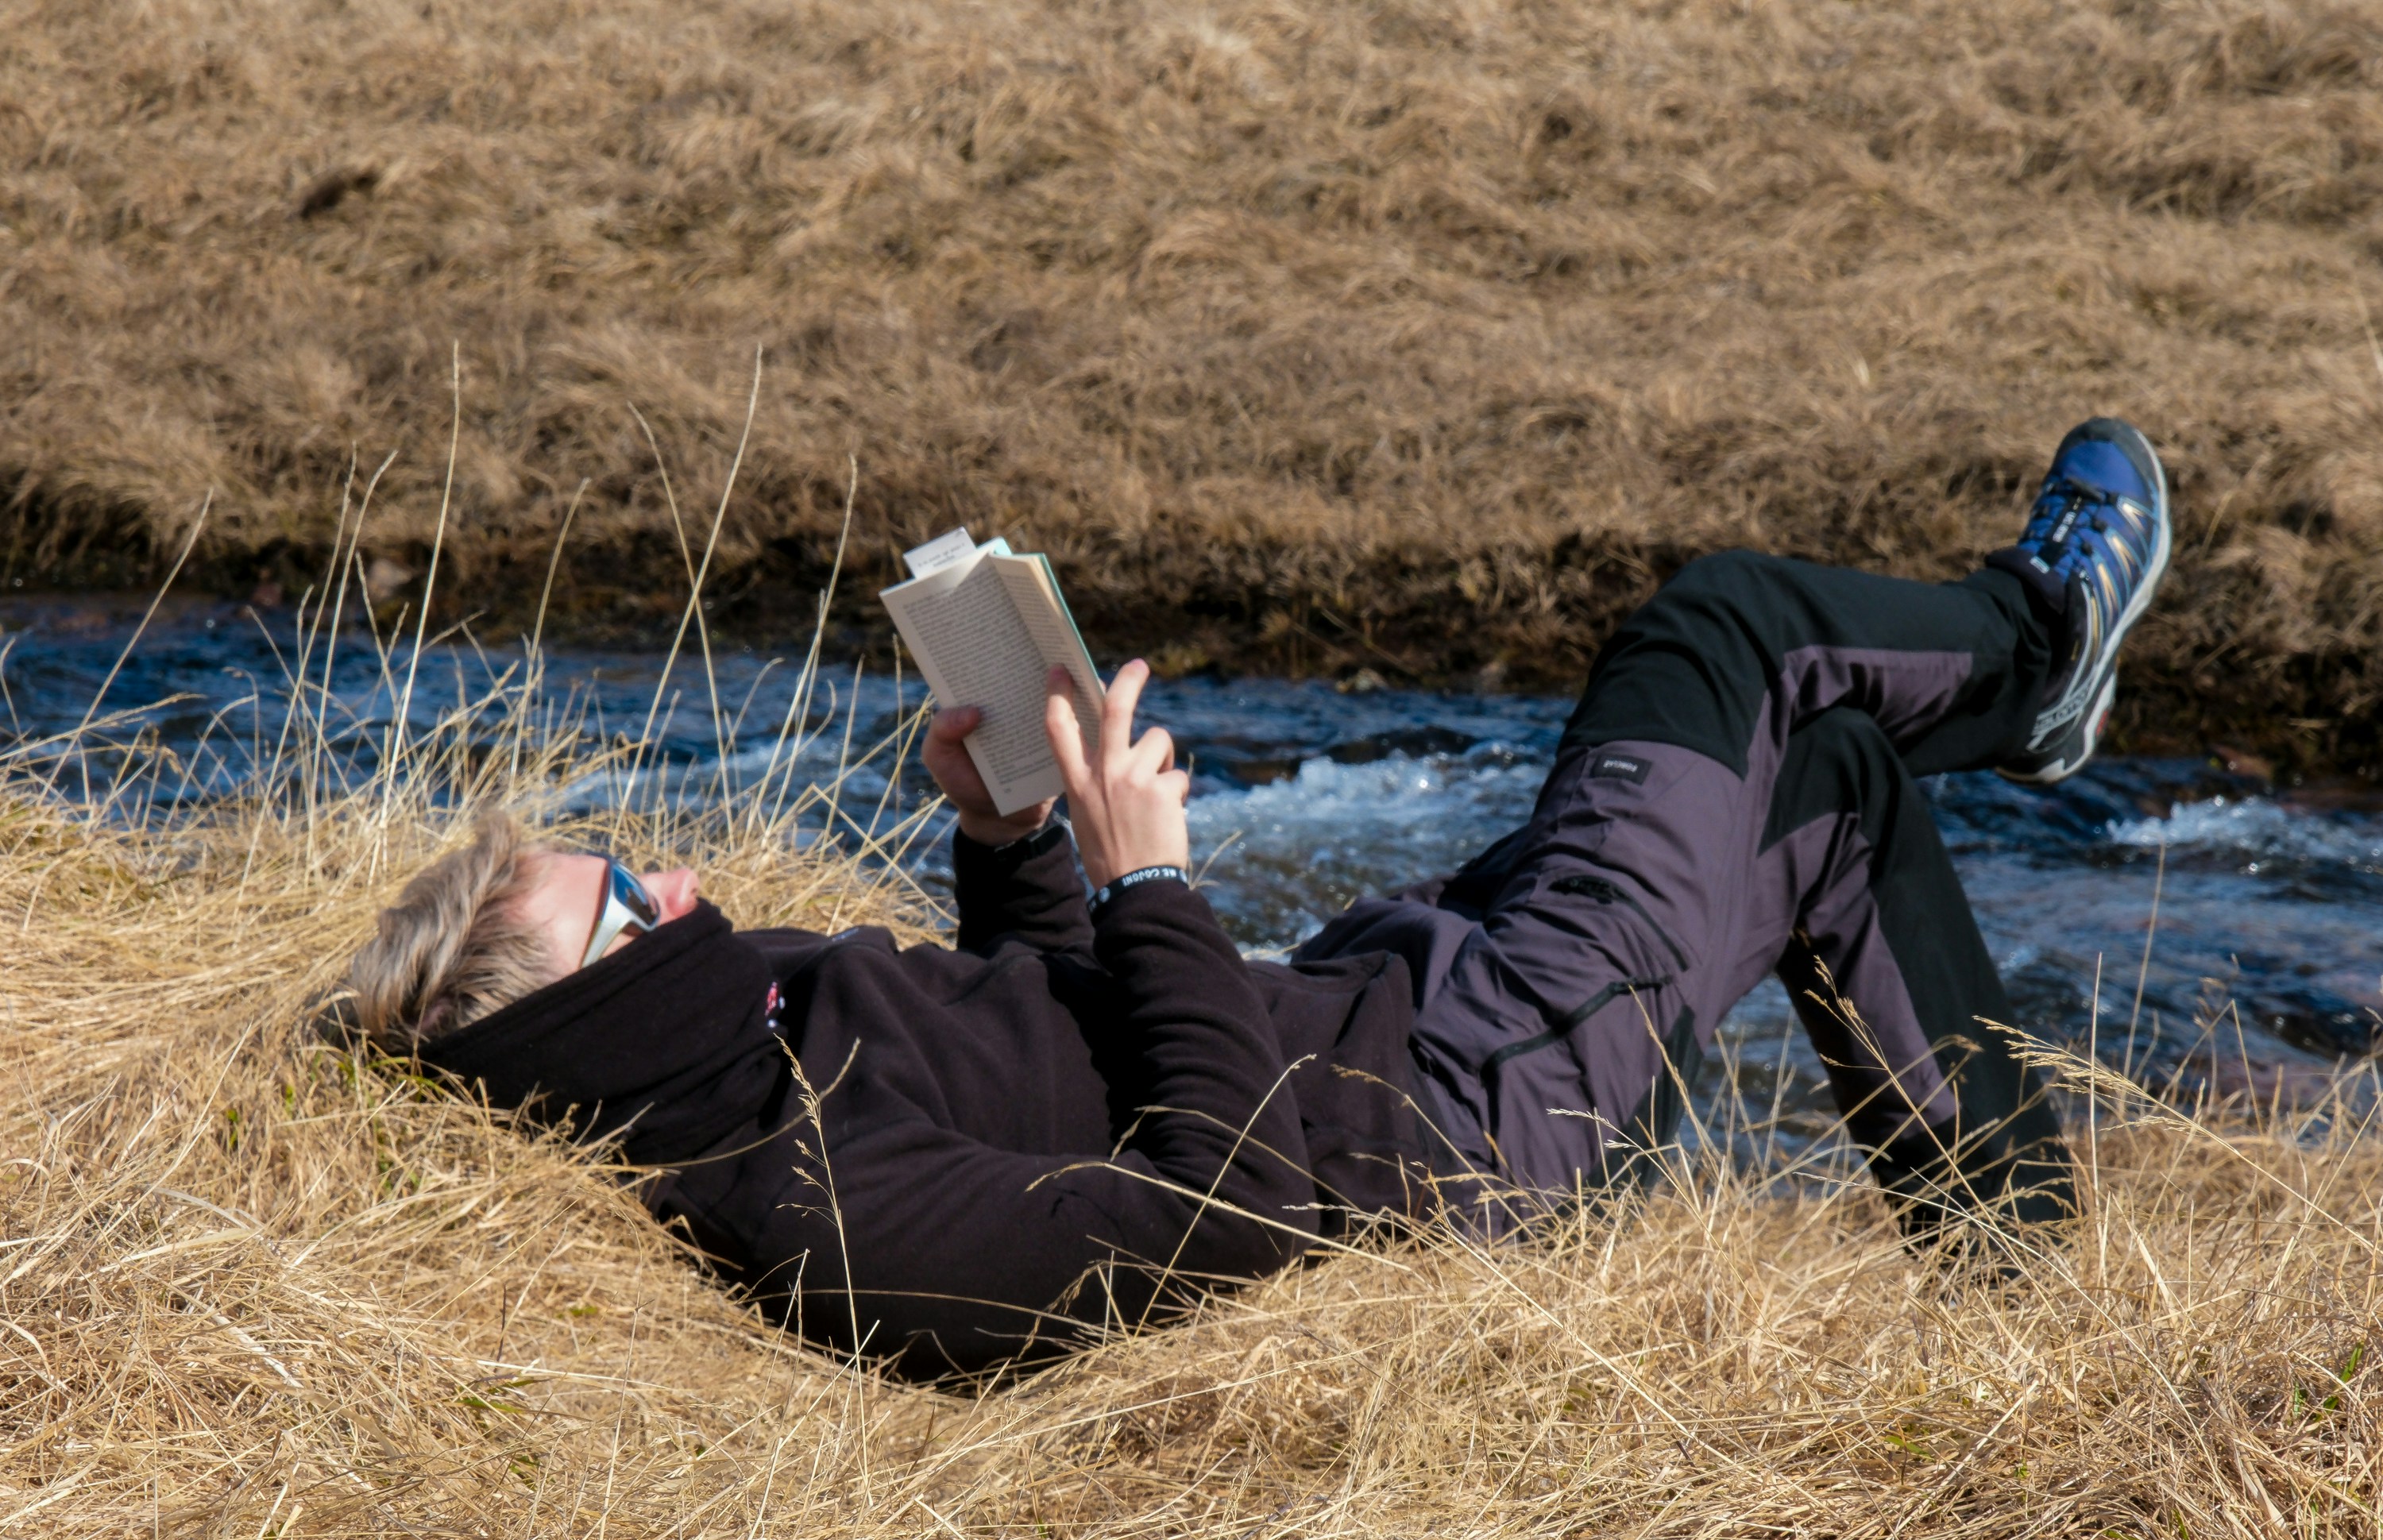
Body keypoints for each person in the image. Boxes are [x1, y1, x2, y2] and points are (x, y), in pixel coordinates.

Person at [342, 419, 2171, 1380]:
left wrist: (1015, 848)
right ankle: (2043, 644)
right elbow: (1222, 1218)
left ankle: (2024, 1307)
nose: (684, 883)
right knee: (1729, 635)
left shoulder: (759, 1048)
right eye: (639, 907)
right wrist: (1152, 881)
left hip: (1410, 1024)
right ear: (603, 1011)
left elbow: (1056, 1055)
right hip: (1452, 1124)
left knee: (1831, 791)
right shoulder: (825, 1202)